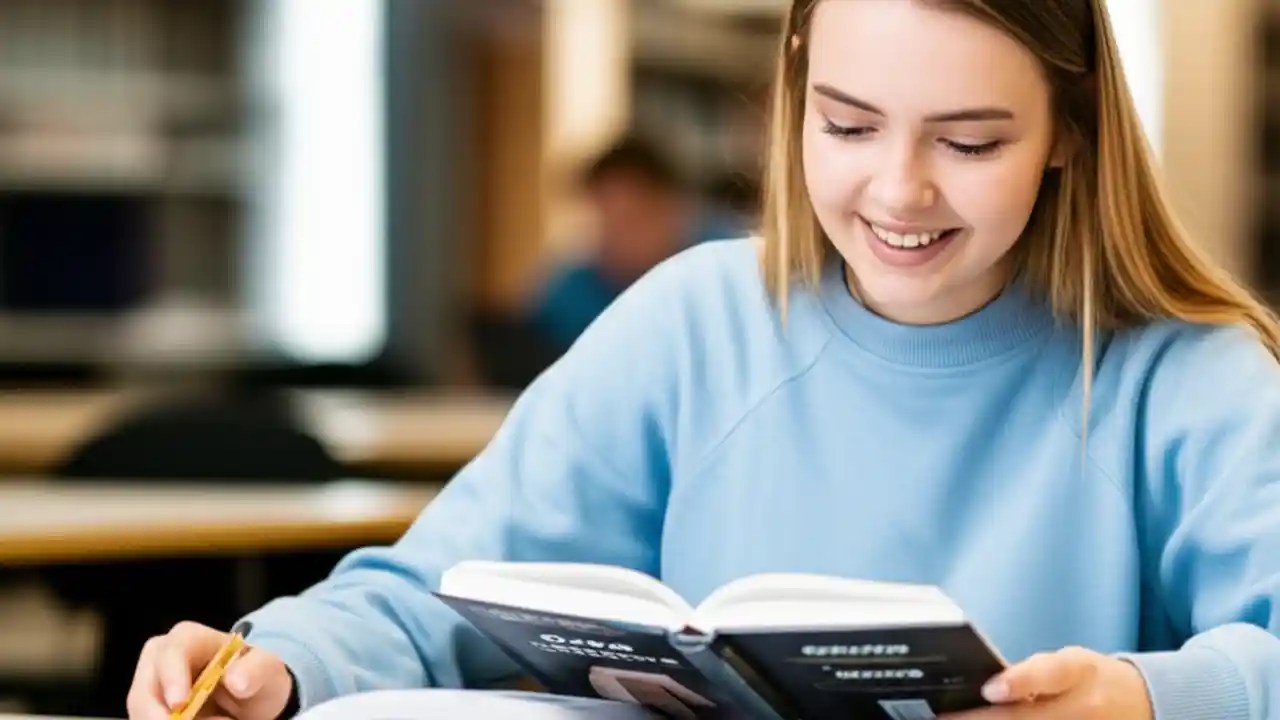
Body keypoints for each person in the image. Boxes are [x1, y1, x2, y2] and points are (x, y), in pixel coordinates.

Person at [129, 1, 1280, 719]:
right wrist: (273, 662)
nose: (896, 190)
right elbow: (441, 583)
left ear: (1069, 129)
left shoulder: (1184, 376)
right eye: (844, 125)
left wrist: (1142, 699)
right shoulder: (688, 321)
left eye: (969, 142)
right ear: (791, 91)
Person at [528, 135, 742, 354]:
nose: (616, 238)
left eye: (631, 220)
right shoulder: (577, 288)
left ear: (673, 210)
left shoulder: (725, 273)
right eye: (605, 222)